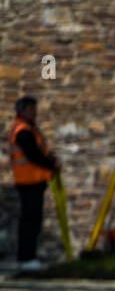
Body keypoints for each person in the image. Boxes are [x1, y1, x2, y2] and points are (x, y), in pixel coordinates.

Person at [6, 96, 60, 272]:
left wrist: (50, 159)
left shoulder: (29, 128)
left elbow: (39, 151)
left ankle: (28, 257)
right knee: (30, 220)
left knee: (32, 219)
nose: (35, 112)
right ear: (22, 110)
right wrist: (51, 164)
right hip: (28, 181)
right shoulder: (22, 130)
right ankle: (26, 258)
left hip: (33, 181)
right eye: (31, 109)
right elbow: (33, 155)